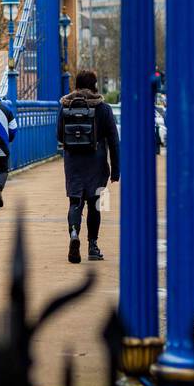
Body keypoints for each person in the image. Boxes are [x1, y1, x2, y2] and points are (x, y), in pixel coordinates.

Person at [57, 69, 119, 263]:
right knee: (95, 204)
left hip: (73, 162)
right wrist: (116, 169)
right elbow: (114, 141)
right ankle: (93, 246)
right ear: (94, 86)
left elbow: (59, 136)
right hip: (97, 162)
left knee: (75, 202)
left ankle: (74, 234)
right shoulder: (104, 108)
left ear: (76, 85)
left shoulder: (65, 106)